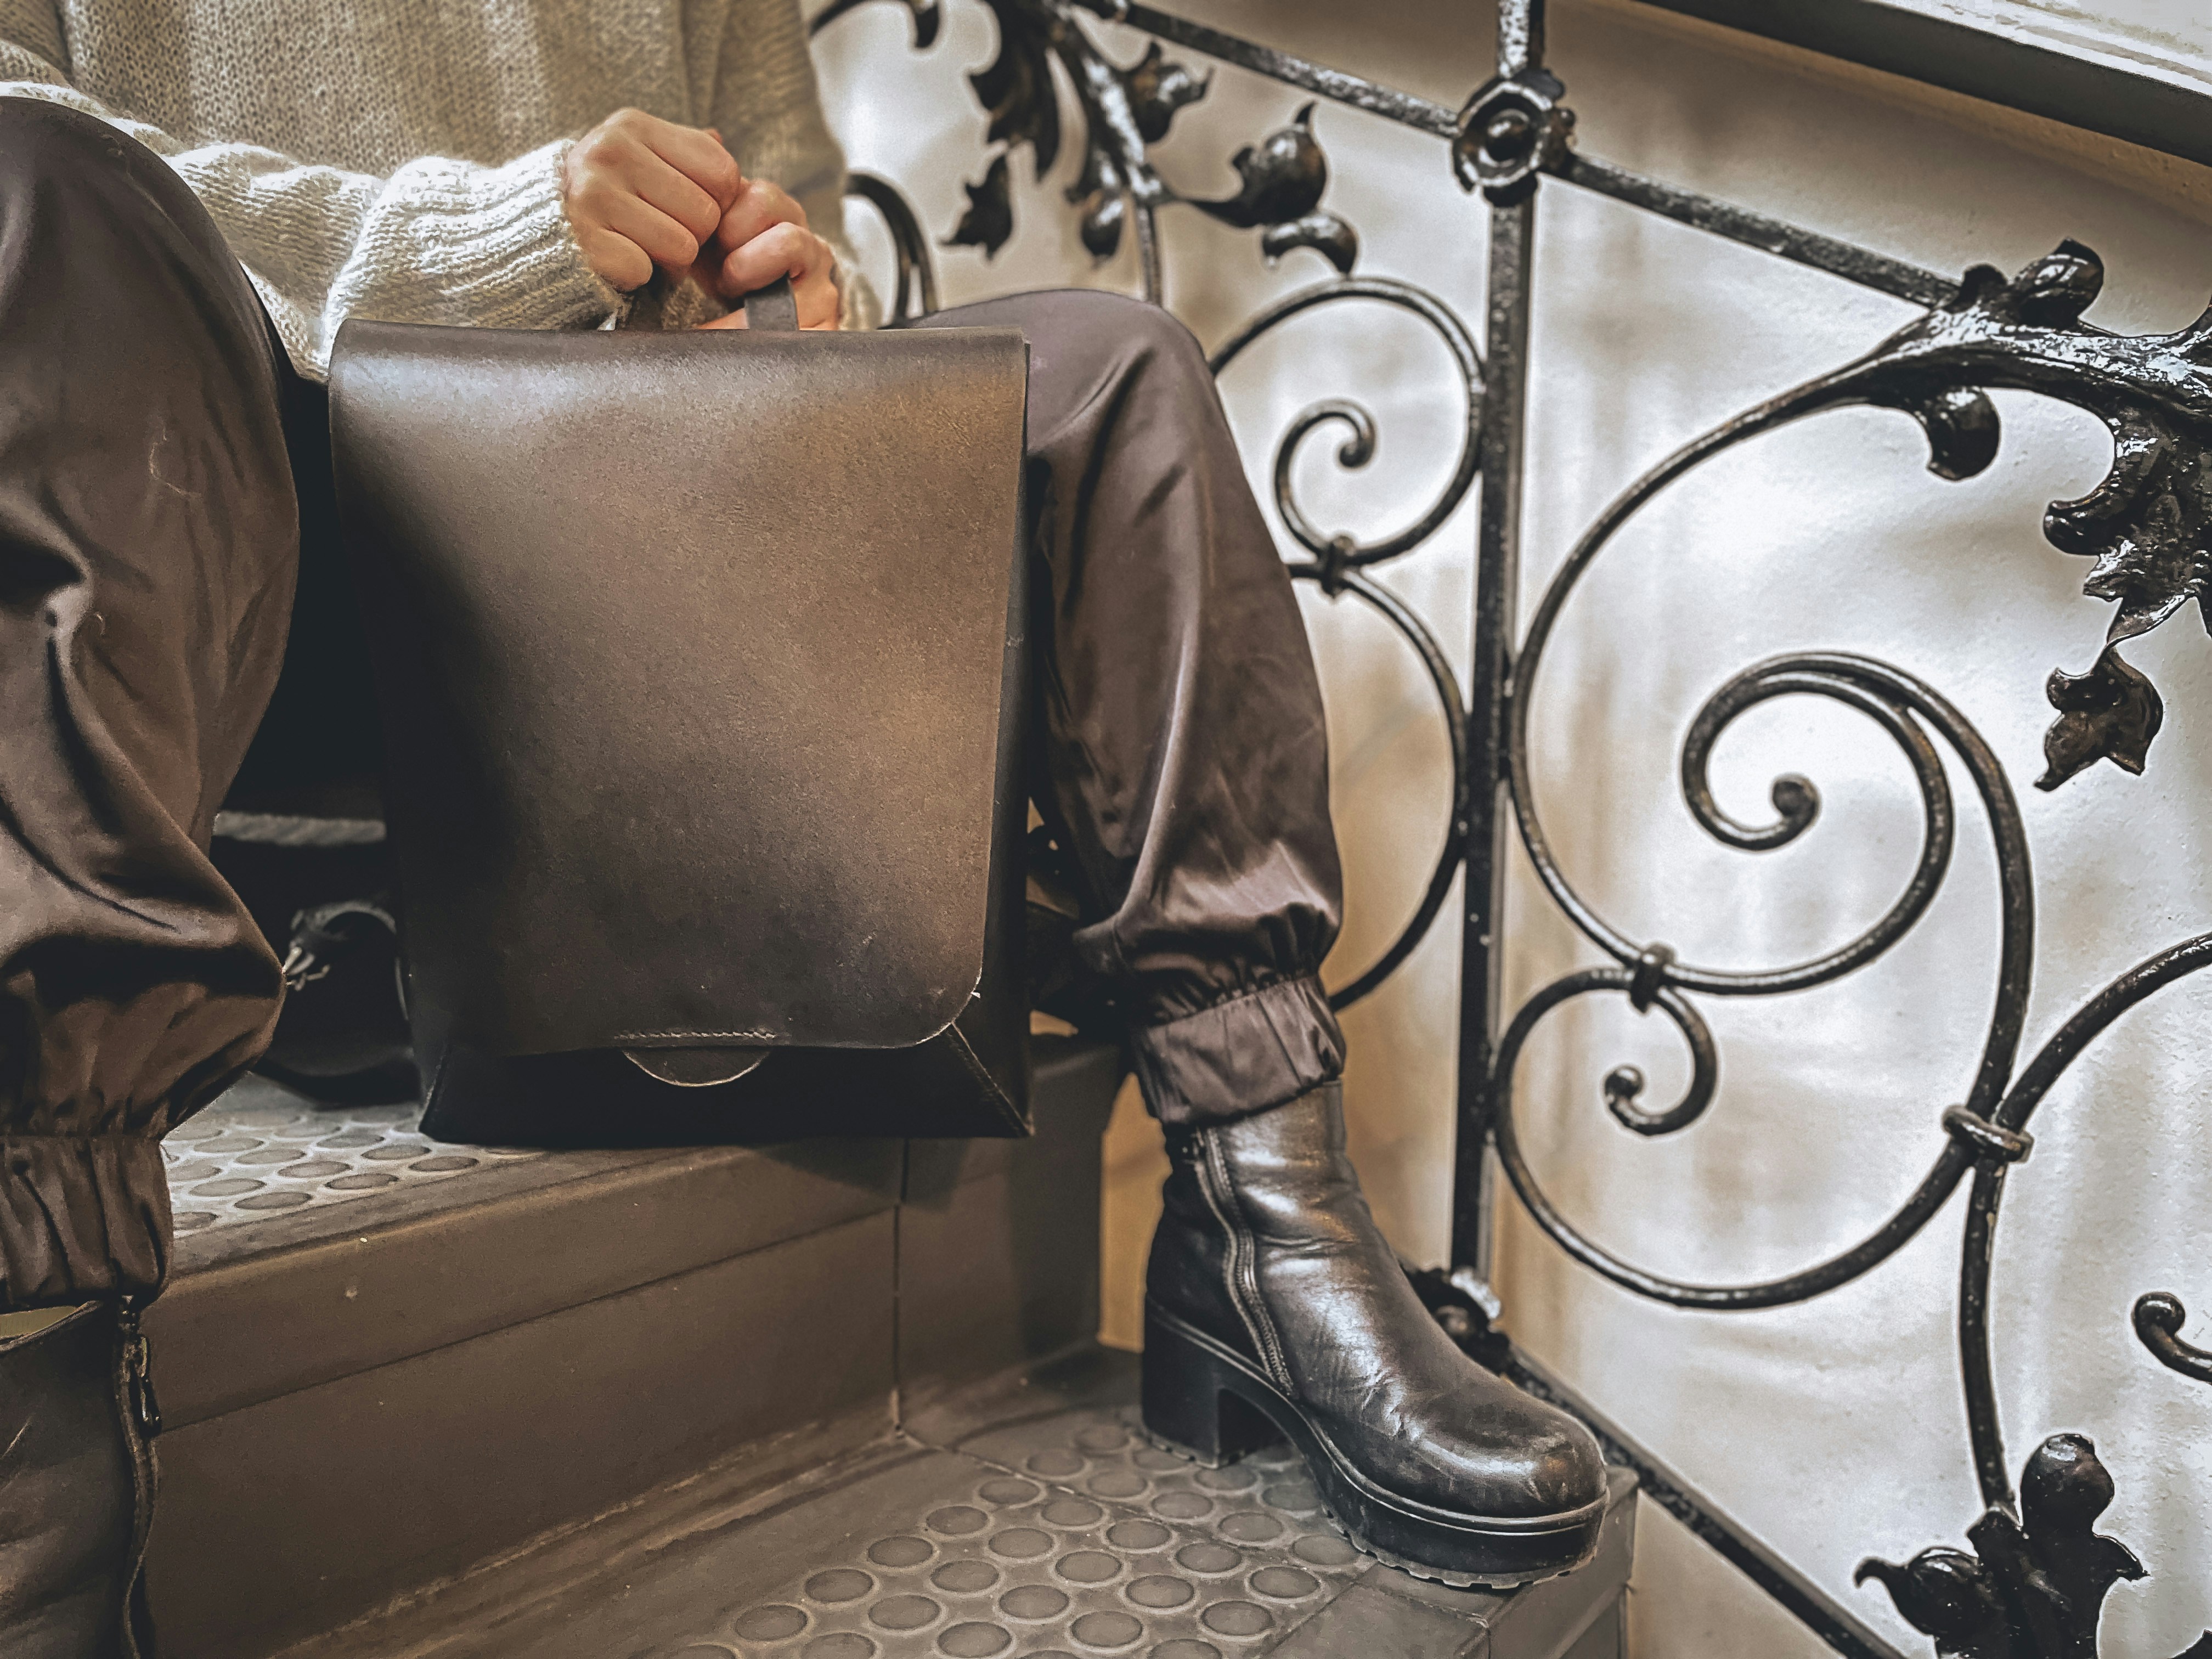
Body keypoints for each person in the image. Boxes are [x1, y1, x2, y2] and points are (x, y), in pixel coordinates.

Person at [0, 0, 1606, 1647]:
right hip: (238, 590)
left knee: (1114, 377)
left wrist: (777, 292)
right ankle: (35, 1323)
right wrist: (475, 243)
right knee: (31, 194)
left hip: (603, 603)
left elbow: (805, 232)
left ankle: (1265, 1214)